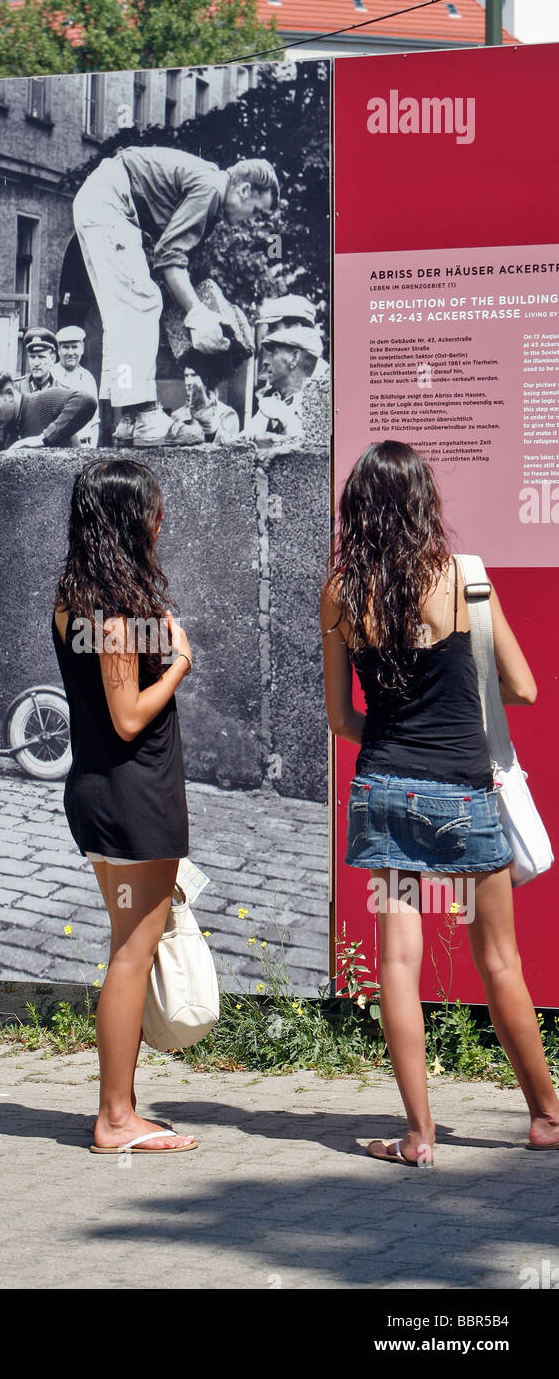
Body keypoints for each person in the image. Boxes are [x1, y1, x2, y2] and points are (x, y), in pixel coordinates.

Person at [321, 440, 559, 1166]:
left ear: (356, 509)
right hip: (464, 793)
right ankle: (548, 1118)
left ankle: (419, 1136)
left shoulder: (340, 594)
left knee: (399, 962)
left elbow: (341, 720)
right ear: (425, 504)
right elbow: (524, 689)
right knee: (500, 962)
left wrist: (396, 745)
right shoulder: (465, 580)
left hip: (386, 791)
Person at [51, 458, 196, 1154]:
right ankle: (115, 1118)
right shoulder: (114, 611)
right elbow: (130, 715)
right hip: (134, 797)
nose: (161, 520)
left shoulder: (77, 596)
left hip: (101, 791)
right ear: (130, 519)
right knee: (132, 957)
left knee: (126, 952)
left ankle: (122, 1108)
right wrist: (177, 668)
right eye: (153, 509)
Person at [72, 147, 279, 447]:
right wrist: (198, 313)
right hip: (111, 202)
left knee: (126, 309)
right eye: (256, 211)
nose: (251, 220)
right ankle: (143, 415)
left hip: (104, 200)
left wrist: (202, 310)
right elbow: (169, 258)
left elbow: (174, 261)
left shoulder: (208, 189)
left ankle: (130, 418)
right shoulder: (210, 189)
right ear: (245, 190)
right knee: (141, 301)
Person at [245, 318, 326, 444]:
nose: (265, 361)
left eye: (273, 353)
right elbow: (243, 440)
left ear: (294, 358)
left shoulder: (323, 398)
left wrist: (286, 420)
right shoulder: (273, 398)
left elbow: (319, 451)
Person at [0, 368, 96, 451]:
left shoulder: (43, 400)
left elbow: (86, 400)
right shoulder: (7, 428)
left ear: (9, 394)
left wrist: (43, 438)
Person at [52, 325, 100, 447]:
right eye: (66, 347)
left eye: (74, 347)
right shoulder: (51, 374)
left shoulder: (88, 378)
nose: (70, 352)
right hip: (59, 447)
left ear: (82, 349)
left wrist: (93, 449)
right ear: (58, 350)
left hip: (85, 446)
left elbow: (94, 420)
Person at [169, 366, 240, 444]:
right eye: (186, 376)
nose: (188, 382)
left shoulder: (227, 414)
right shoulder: (177, 415)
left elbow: (228, 449)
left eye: (194, 375)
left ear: (207, 378)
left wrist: (211, 431)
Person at [14, 328, 59, 394]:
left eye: (41, 357)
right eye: (32, 357)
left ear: (53, 359)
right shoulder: (16, 388)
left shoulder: (61, 391)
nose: (36, 363)